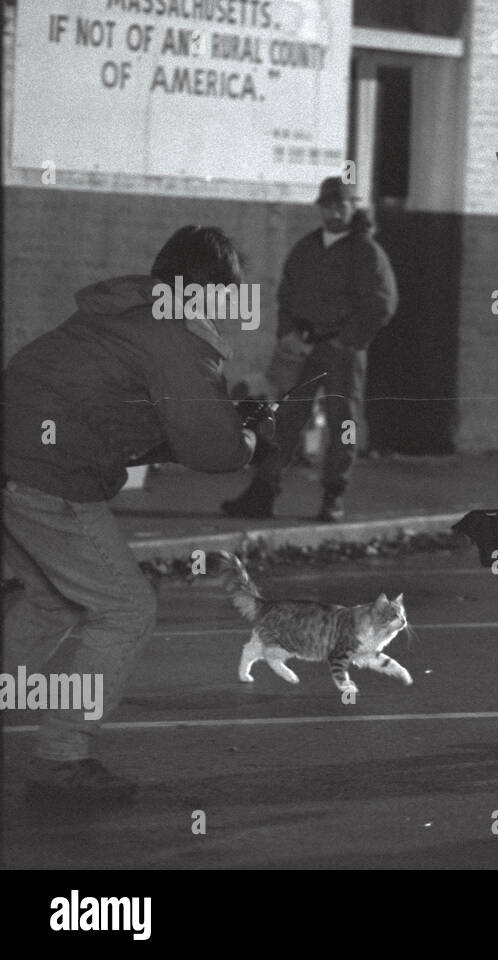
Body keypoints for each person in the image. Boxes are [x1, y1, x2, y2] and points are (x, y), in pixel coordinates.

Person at [3, 226, 266, 803]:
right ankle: (62, 758)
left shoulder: (121, 315)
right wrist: (249, 437)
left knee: (52, 600)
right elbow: (214, 450)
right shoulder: (177, 335)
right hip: (48, 474)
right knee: (126, 609)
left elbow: (115, 412)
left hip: (15, 456)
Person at [221, 176, 398, 522]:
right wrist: (287, 334)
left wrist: (346, 339)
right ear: (320, 209)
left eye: (341, 205)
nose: (335, 212)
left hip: (343, 353)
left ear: (352, 207)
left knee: (342, 422)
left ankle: (333, 496)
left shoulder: (367, 252)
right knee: (285, 420)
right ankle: (263, 492)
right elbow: (286, 295)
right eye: (328, 206)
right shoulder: (307, 248)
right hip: (303, 350)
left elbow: (382, 303)